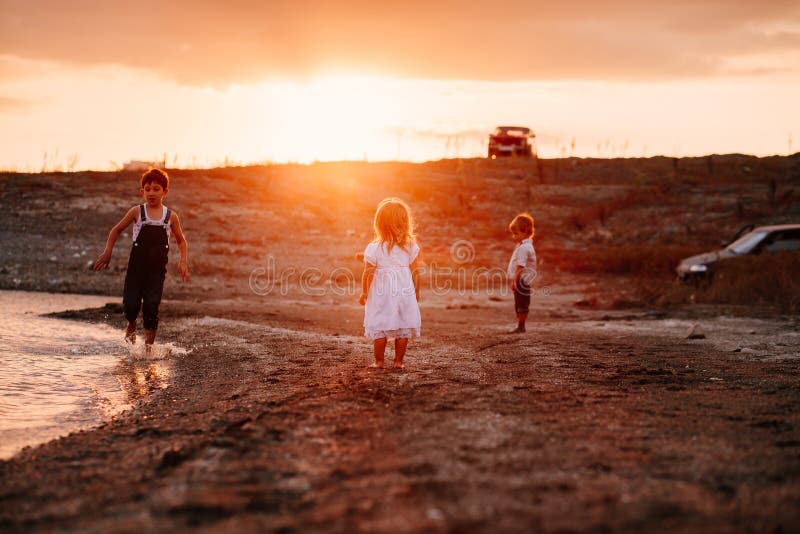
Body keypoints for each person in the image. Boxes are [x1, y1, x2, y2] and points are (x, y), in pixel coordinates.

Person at [93, 168, 189, 352]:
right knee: (131, 305)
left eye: (156, 189)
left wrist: (183, 261)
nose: (151, 193)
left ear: (165, 192)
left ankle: (147, 351)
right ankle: (131, 323)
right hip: (136, 269)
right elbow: (116, 230)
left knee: (152, 307)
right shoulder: (137, 212)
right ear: (142, 192)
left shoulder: (170, 216)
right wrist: (108, 252)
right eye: (148, 189)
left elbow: (181, 241)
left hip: (156, 272)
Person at [359, 198, 421, 369]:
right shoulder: (409, 246)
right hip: (404, 291)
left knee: (380, 323)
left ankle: (378, 362)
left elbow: (368, 272)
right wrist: (417, 290)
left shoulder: (374, 248)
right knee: (403, 325)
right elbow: (416, 271)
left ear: (379, 224)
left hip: (381, 293)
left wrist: (364, 292)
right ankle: (398, 362)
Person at [507, 213, 537, 334]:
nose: (514, 236)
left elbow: (520, 266)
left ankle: (521, 326)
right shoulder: (523, 246)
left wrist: (514, 280)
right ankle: (520, 325)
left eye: (516, 233)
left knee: (522, 302)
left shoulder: (524, 248)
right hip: (521, 280)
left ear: (525, 231)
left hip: (521, 280)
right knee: (519, 302)